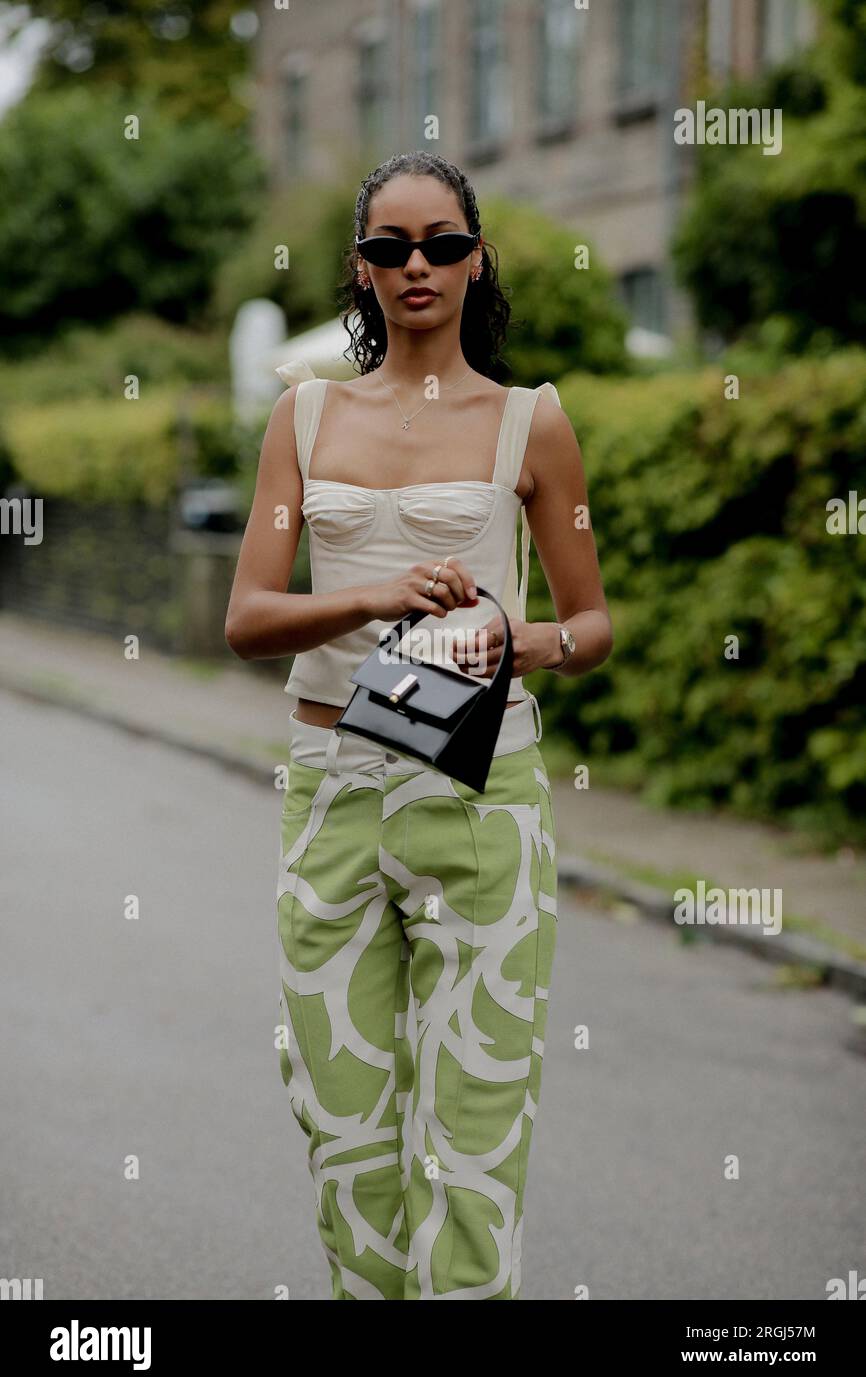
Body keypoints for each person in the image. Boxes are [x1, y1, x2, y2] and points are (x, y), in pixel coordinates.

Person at [225, 150, 612, 1300]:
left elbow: (588, 622)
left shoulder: (529, 423)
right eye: (390, 248)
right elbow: (249, 617)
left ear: (474, 255)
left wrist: (520, 637)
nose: (417, 266)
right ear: (360, 268)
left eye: (440, 243)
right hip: (332, 787)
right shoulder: (301, 417)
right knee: (343, 1133)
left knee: (474, 1133)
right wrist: (370, 596)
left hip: (480, 790)